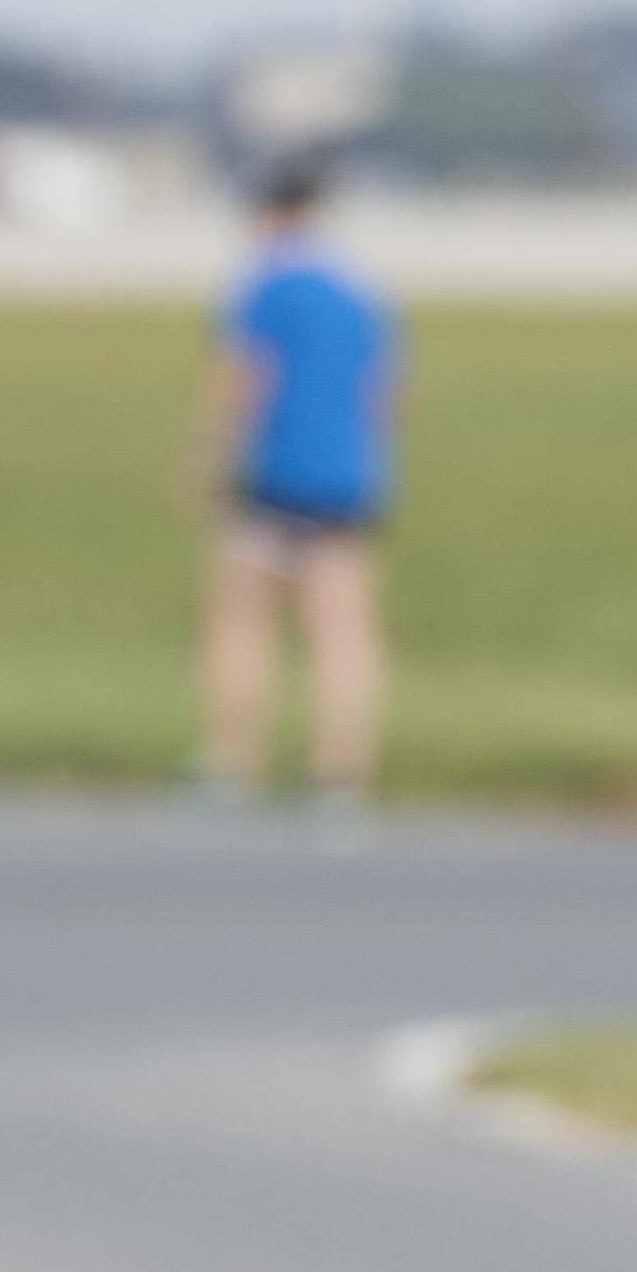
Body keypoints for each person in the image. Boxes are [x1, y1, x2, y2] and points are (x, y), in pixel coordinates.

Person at [195, 155, 403, 811]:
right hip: (349, 478)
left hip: (274, 476)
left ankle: (234, 763)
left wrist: (207, 456)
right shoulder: (360, 290)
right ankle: (340, 774)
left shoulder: (265, 284)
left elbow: (245, 381)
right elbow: (389, 393)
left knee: (243, 619)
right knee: (344, 632)